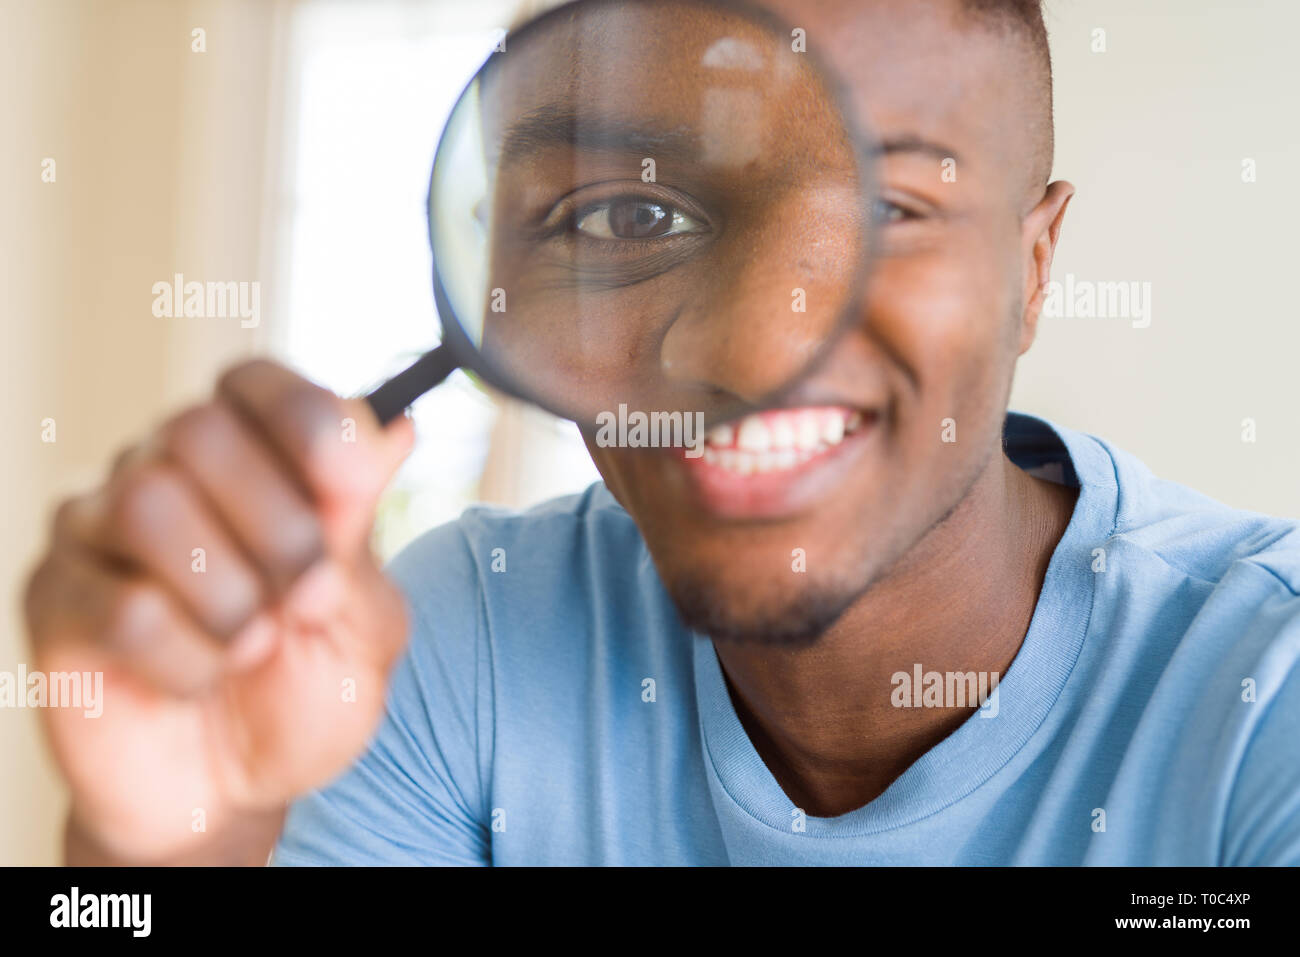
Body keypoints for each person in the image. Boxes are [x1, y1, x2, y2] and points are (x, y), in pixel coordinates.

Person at [25, 0, 1300, 865]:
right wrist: (163, 846)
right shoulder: (461, 640)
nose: (747, 351)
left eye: (893, 206)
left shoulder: (1266, 698)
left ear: (1032, 269)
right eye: (620, 218)